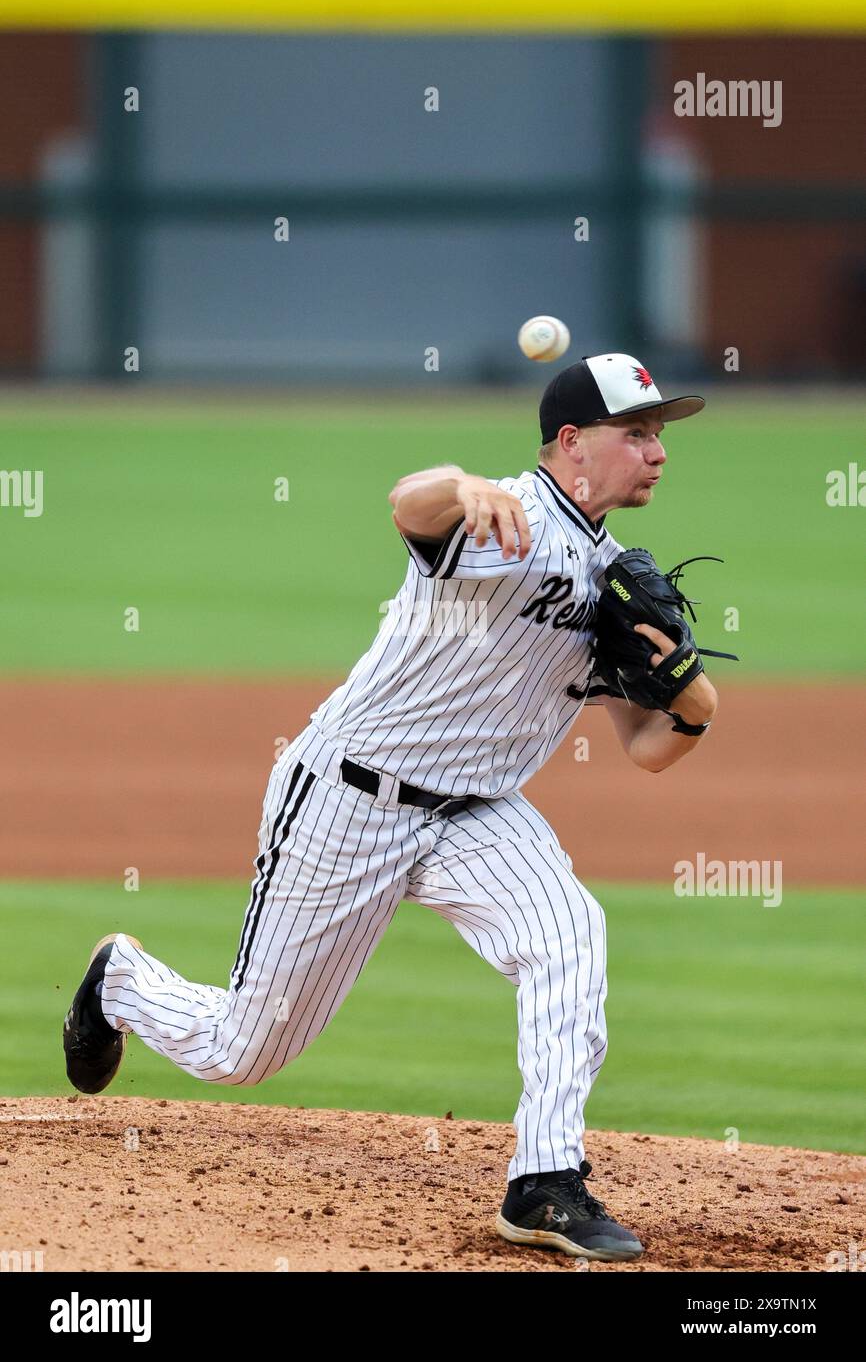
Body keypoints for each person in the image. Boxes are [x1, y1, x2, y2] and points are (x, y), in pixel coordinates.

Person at [64, 353, 718, 1263]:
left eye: (660, 437)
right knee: (245, 1051)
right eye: (636, 434)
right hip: (348, 798)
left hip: (477, 814)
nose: (657, 453)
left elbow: (650, 748)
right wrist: (461, 483)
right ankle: (122, 981)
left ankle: (544, 1185)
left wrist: (694, 706)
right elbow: (410, 505)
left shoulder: (614, 580)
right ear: (572, 443)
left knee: (568, 935)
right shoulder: (508, 518)